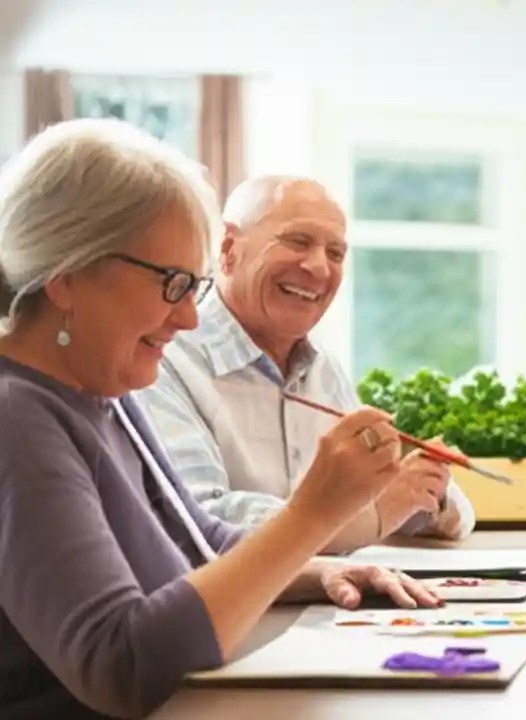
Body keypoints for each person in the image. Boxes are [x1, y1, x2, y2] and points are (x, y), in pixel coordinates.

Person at [0, 119, 443, 720]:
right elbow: (119, 669)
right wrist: (314, 514)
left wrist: (322, 569)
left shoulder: (103, 389)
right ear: (69, 277)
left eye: (196, 285)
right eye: (173, 284)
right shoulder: (16, 418)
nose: (188, 319)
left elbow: (196, 543)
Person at [138, 175, 476, 549]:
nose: (319, 268)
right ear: (229, 249)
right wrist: (373, 512)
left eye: (336, 253)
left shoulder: (322, 368)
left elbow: (444, 514)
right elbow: (199, 518)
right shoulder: (164, 360)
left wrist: (426, 492)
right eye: (298, 241)